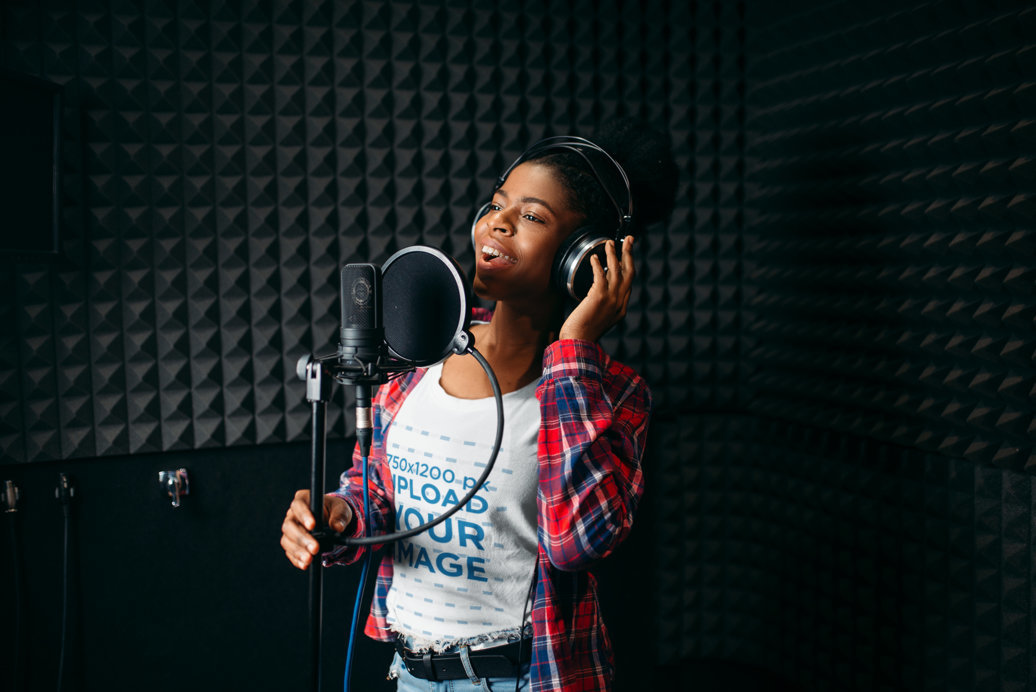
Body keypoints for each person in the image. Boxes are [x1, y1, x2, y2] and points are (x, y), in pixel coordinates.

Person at [281, 117, 678, 691]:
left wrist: (575, 352)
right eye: (497, 203)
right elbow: (377, 486)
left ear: (582, 257)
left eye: (533, 216)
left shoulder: (613, 395)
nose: (498, 222)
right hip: (413, 673)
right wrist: (341, 514)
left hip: (524, 679)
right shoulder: (419, 357)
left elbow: (576, 544)